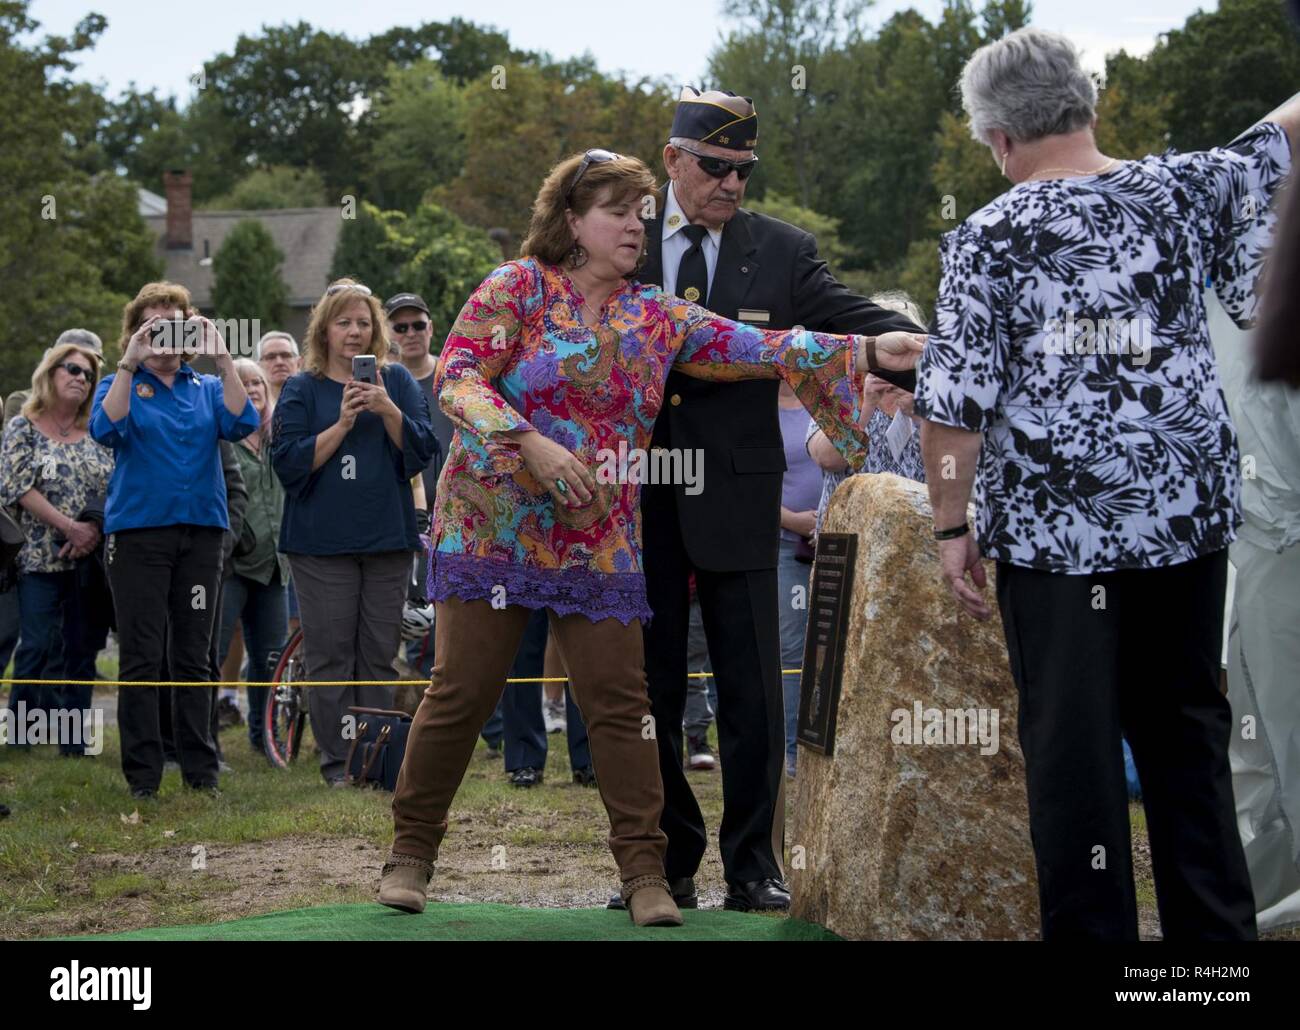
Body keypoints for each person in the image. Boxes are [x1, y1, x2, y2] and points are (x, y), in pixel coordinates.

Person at [379, 149, 922, 926]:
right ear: (572, 221)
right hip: (492, 526)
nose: (636, 225)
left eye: (641, 212)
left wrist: (870, 349)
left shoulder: (656, 313)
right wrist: (530, 440)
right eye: (616, 211)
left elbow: (758, 347)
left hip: (598, 535)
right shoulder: (518, 287)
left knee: (622, 706)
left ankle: (646, 875)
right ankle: (410, 857)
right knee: (461, 693)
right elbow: (457, 378)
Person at [914, 27, 1298, 941]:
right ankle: (1212, 967)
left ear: (1000, 139)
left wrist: (948, 526)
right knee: (1189, 743)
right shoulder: (1189, 183)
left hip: (1058, 544)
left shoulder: (985, 238)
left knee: (1072, 757)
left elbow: (953, 405)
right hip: (1187, 524)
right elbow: (1286, 127)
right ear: (1086, 105)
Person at [634, 87, 925, 913]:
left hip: (740, 493)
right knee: (648, 690)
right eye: (716, 168)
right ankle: (666, 860)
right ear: (673, 160)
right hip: (639, 494)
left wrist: (942, 356)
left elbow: (852, 319)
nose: (731, 186)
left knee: (753, 689)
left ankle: (753, 863)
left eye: (744, 171)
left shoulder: (783, 250)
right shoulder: (622, 236)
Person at [90, 281, 257, 798]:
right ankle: (143, 775)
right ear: (137, 331)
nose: (164, 337)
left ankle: (200, 770)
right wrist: (128, 361)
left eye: (174, 324)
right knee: (141, 654)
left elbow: (241, 420)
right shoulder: (120, 383)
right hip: (139, 536)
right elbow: (104, 427)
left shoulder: (204, 387)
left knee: (194, 655)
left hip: (201, 536)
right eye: (152, 326)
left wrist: (223, 357)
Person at [270, 280, 437, 786]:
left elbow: (423, 448)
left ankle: (377, 761)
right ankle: (339, 763)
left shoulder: (398, 382)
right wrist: (341, 424)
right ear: (325, 330)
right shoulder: (303, 387)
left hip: (386, 539)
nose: (354, 331)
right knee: (331, 655)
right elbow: (289, 464)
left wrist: (386, 407)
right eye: (343, 322)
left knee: (378, 655)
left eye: (363, 322)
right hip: (321, 545)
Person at [0, 335, 113, 754]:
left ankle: (72, 742)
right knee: (36, 647)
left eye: (89, 373)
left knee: (81, 651)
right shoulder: (23, 425)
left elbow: (117, 483)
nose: (82, 378)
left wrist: (91, 531)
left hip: (90, 562)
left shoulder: (99, 430)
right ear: (50, 373)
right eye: (73, 369)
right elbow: (16, 485)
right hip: (38, 560)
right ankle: (24, 737)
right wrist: (69, 527)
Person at [212, 359, 288, 754]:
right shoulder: (220, 437)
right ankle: (205, 741)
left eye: (257, 382)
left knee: (270, 659)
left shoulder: (282, 437)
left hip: (274, 565)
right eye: (243, 383)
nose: (253, 388)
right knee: (216, 651)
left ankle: (265, 739)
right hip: (229, 565)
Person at [256, 331, 299, 404]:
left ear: (299, 363)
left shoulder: (315, 403)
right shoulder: (254, 409)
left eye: (285, 355)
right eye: (270, 357)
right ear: (259, 367)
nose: (279, 362)